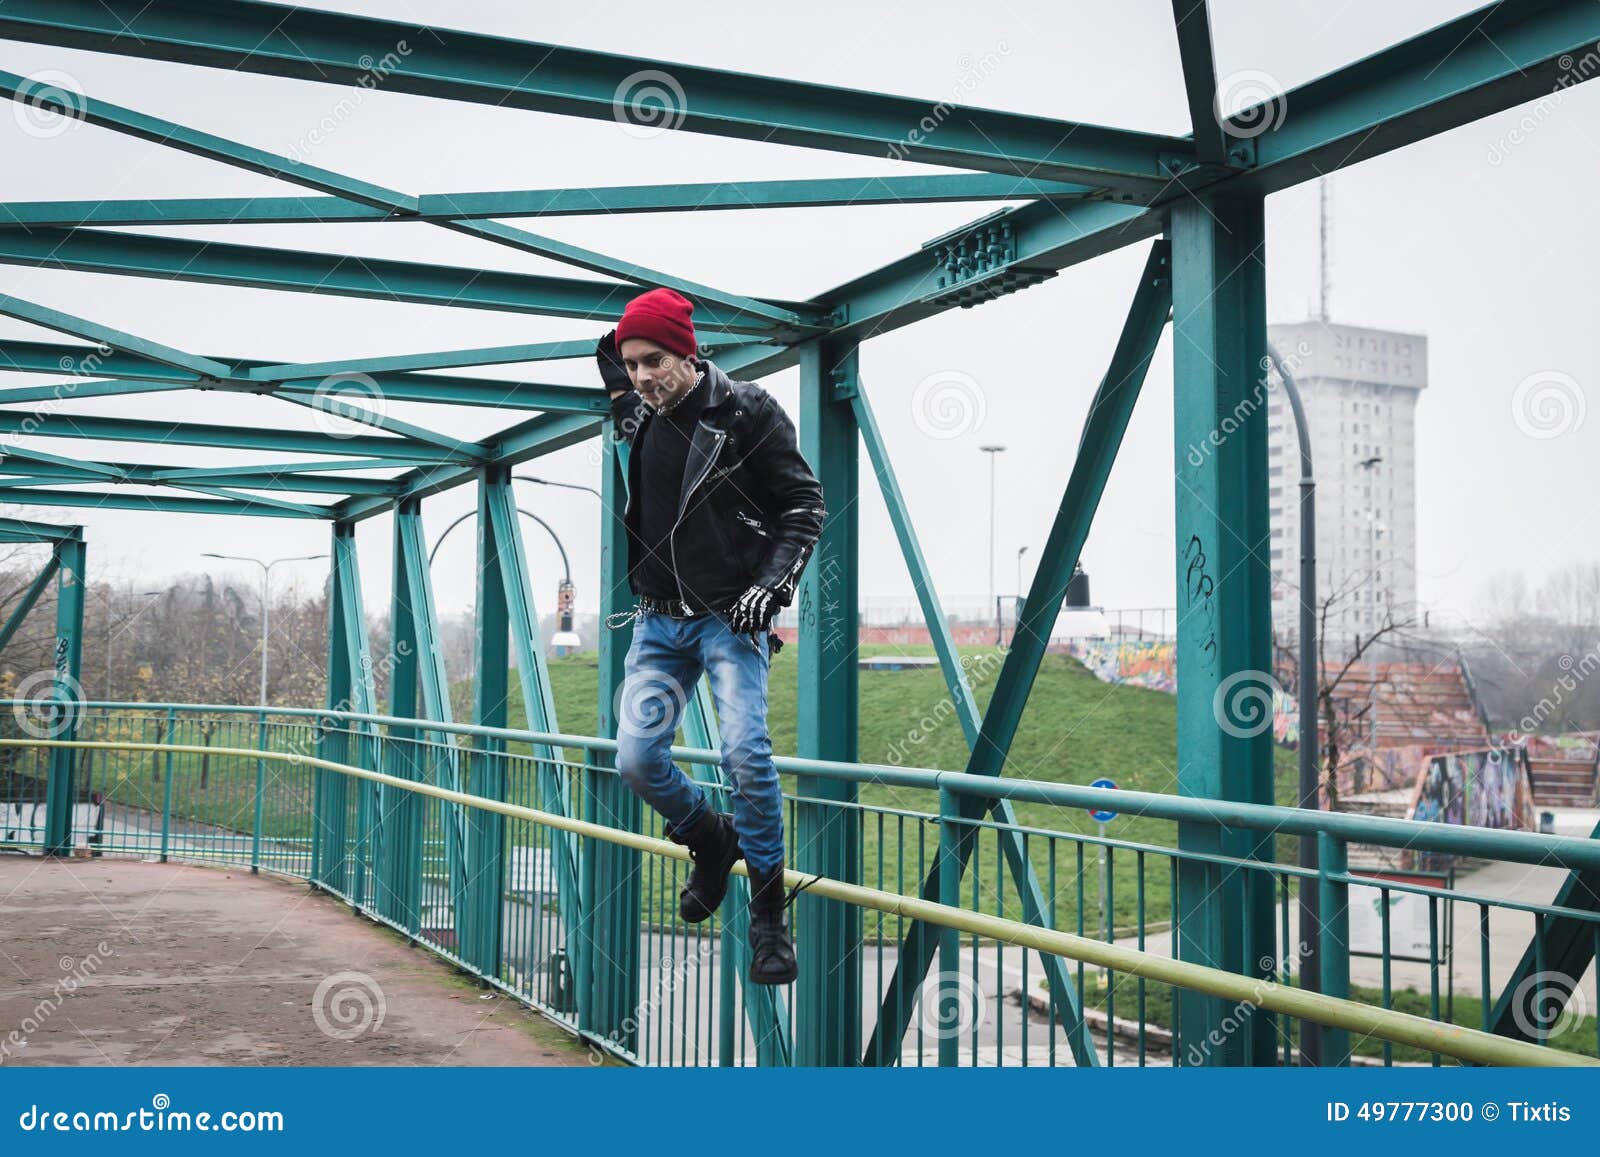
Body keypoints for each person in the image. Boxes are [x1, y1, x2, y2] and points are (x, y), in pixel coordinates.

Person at [595, 287, 825, 986]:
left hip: (730, 617)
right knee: (636, 759)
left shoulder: (746, 410)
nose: (642, 376)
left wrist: (773, 586)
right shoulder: (639, 411)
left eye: (654, 361)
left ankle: (768, 916)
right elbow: (614, 366)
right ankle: (709, 835)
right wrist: (624, 353)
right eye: (633, 365)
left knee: (745, 756)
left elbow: (804, 504)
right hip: (658, 621)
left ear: (688, 354)